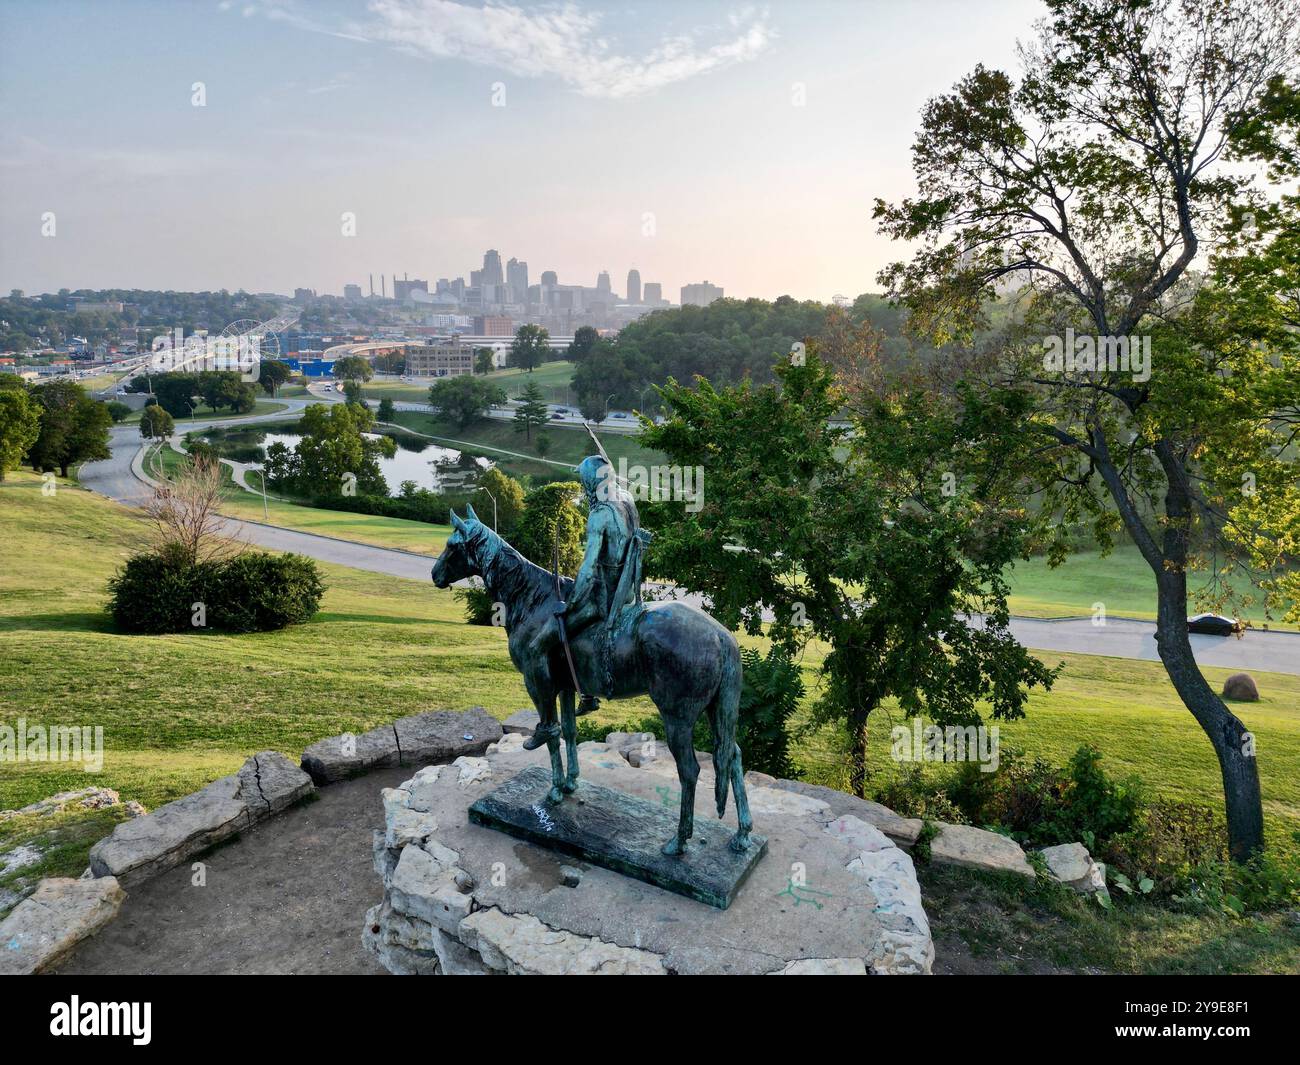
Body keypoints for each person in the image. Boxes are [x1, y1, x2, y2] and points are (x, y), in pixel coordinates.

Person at [523, 454, 649, 750]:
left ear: (592, 483)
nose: (584, 489)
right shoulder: (627, 499)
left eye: (584, 483)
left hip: (603, 599)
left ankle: (547, 724)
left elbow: (589, 568)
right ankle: (585, 694)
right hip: (627, 591)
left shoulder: (600, 515)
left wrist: (570, 603)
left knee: (538, 645)